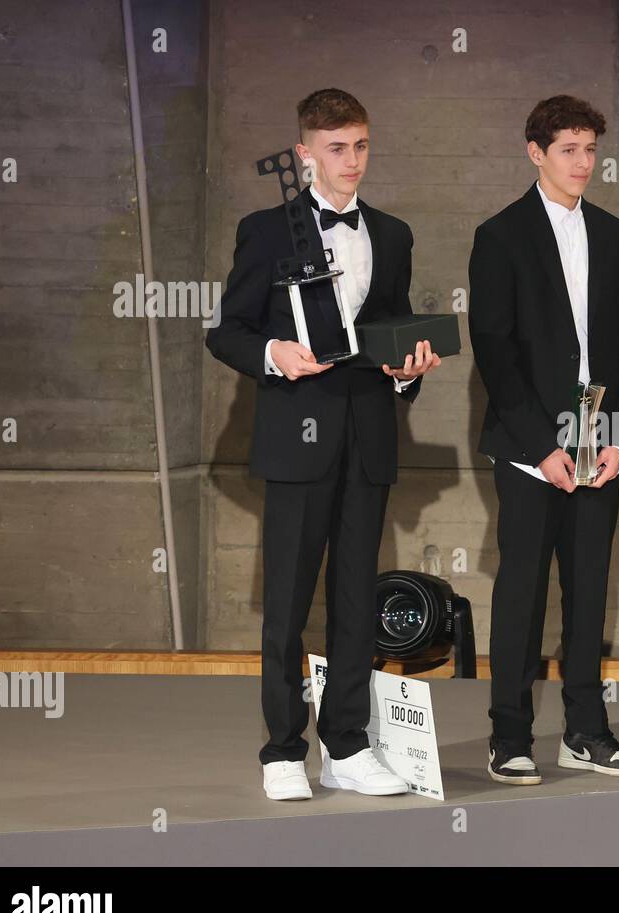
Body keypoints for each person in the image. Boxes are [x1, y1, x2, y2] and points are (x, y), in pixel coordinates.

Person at [206, 88, 441, 801]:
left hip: (368, 438)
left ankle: (345, 745)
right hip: (296, 435)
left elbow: (394, 332)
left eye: (361, 146)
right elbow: (228, 331)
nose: (352, 161)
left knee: (352, 601)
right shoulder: (266, 229)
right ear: (305, 154)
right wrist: (275, 352)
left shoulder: (394, 234)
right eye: (337, 149)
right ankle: (282, 750)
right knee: (287, 601)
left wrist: (408, 372)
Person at [468, 95, 619, 784]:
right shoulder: (500, 235)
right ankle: (509, 736)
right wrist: (543, 444)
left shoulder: (613, 234)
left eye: (590, 150)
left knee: (589, 588)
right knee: (521, 592)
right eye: (569, 149)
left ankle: (586, 731)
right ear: (535, 152)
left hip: (601, 443)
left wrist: (618, 440)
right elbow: (496, 351)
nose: (583, 163)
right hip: (528, 448)